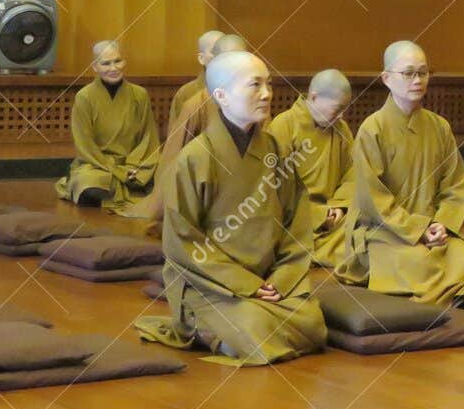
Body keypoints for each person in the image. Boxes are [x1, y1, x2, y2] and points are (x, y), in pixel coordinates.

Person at [135, 51, 326, 366]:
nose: (266, 94)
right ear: (221, 95)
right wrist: (246, 284)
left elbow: (297, 221)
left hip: (269, 281)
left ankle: (233, 327)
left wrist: (282, 277)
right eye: (254, 85)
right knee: (256, 331)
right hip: (211, 285)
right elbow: (183, 241)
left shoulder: (276, 150)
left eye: (268, 84)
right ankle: (205, 327)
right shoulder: (196, 157)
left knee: (314, 324)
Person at [339, 41, 464, 307]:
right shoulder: (373, 129)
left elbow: (455, 185)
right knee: (415, 261)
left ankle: (435, 294)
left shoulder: (439, 127)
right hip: (384, 231)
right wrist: (418, 230)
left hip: (430, 229)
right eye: (408, 73)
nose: (417, 80)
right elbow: (374, 200)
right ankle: (444, 298)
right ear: (386, 78)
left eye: (423, 72)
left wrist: (441, 224)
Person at [122, 32, 249, 228]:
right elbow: (175, 152)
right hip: (206, 182)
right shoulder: (195, 101)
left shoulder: (256, 98)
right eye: (230, 60)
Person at [55, 40, 159, 211]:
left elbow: (148, 137)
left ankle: (128, 184)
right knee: (88, 186)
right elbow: (85, 145)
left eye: (117, 61)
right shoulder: (85, 97)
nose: (113, 68)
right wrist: (116, 170)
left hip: (135, 165)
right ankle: (123, 186)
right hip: (97, 165)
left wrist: (133, 166)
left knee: (167, 174)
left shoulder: (139, 95)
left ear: (124, 61)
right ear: (95, 67)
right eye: (106, 63)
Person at [268, 69, 356, 269]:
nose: (342, 115)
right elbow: (276, 189)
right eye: (337, 108)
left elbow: (353, 174)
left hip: (336, 219)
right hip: (298, 224)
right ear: (314, 97)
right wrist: (318, 215)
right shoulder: (284, 126)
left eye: (345, 108)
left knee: (368, 232)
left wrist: (340, 205)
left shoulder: (341, 129)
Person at [169, 30, 225, 134]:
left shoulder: (243, 89)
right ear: (201, 59)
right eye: (215, 51)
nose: (222, 56)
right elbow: (178, 139)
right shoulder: (187, 93)